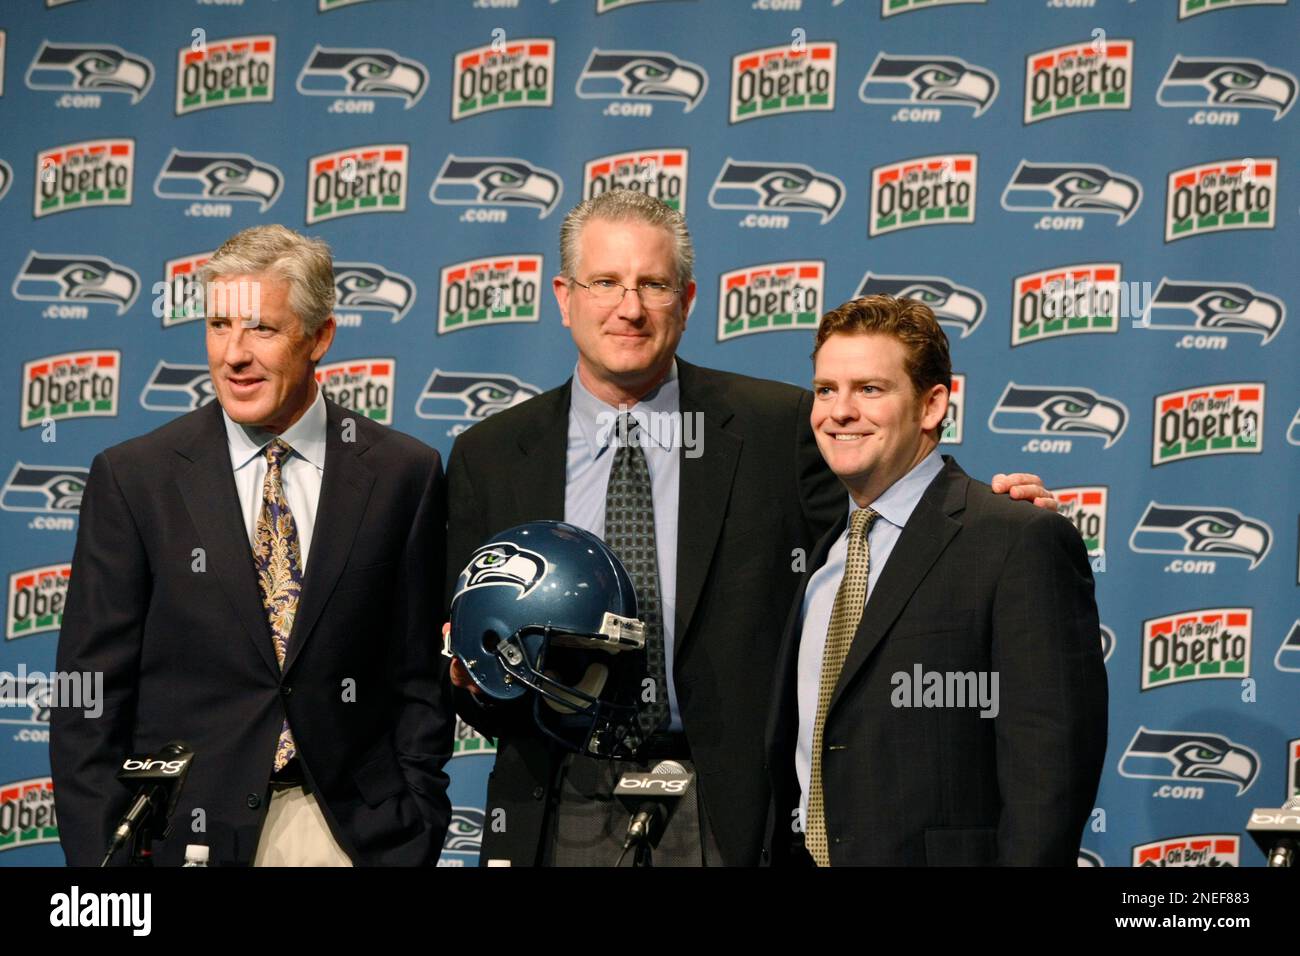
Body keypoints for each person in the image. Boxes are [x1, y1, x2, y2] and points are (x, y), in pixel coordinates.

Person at [446, 190, 1056, 866]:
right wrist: (476, 682)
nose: (630, 307)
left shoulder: (779, 428)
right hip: (557, 799)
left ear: (688, 300)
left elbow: (888, 529)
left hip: (727, 811)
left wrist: (991, 517)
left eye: (653, 284)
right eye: (606, 283)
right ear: (564, 297)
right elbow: (473, 660)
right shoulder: (488, 457)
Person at [50, 225, 453, 866]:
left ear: (320, 337)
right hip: (183, 835)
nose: (234, 355)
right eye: (218, 326)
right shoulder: (136, 479)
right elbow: (87, 693)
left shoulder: (404, 473)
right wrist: (110, 863)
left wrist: (415, 823)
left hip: (352, 836)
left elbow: (418, 680)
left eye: (262, 329)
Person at [764, 296, 1108, 867]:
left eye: (869, 389)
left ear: (931, 405)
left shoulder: (1015, 538)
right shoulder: (823, 559)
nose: (840, 411)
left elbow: (1050, 774)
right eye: (826, 389)